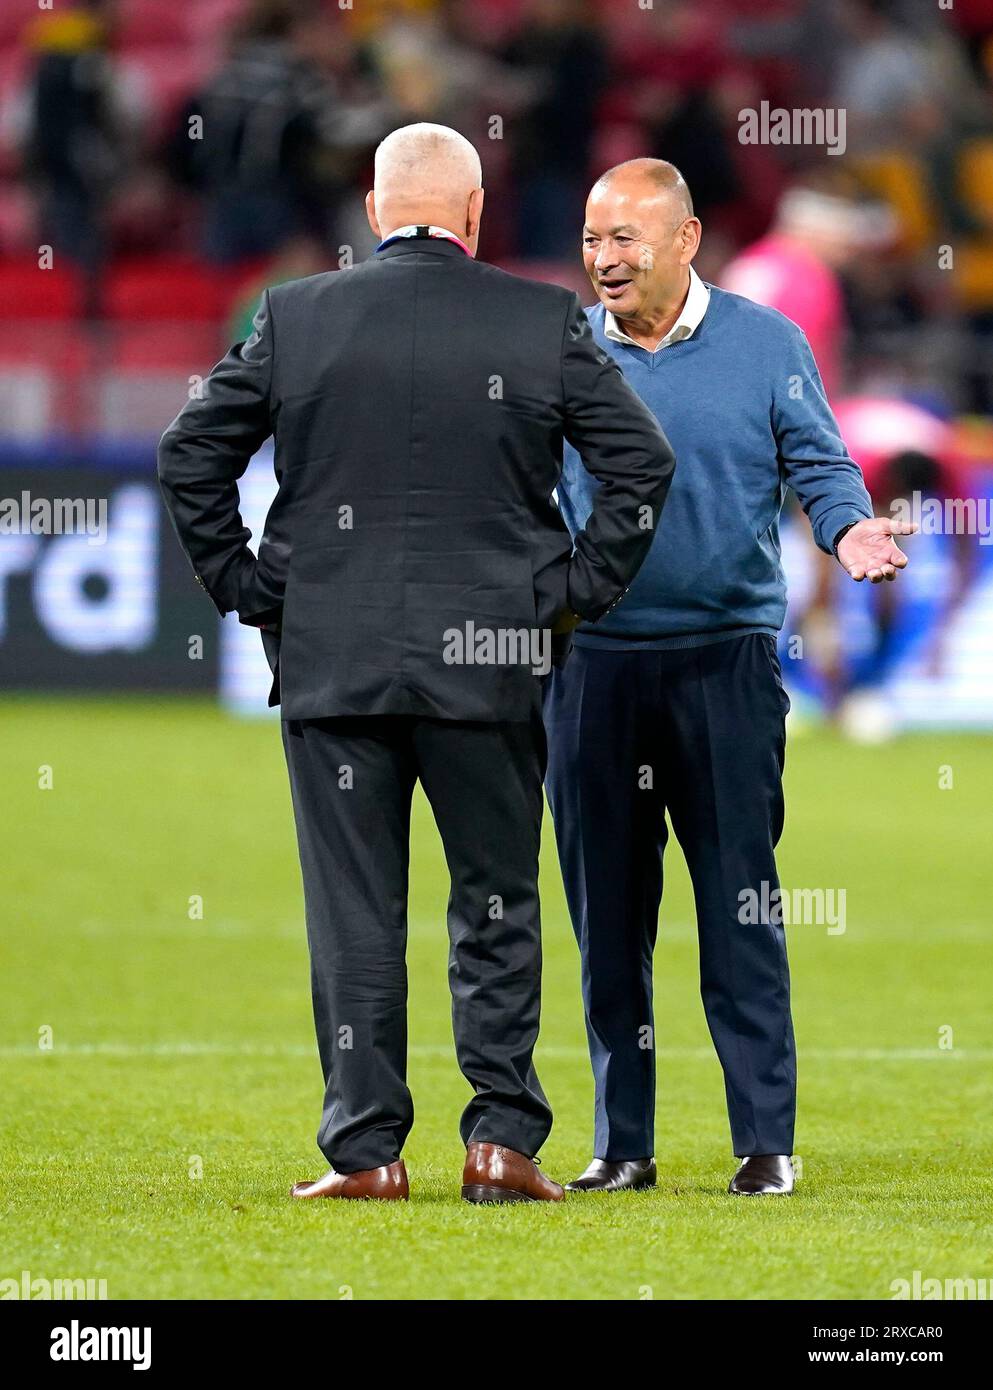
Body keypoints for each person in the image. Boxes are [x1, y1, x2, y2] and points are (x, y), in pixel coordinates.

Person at [158, 124, 675, 1204]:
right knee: (496, 899)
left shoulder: (297, 316)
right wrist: (568, 595)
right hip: (491, 660)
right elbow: (640, 463)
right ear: (476, 214)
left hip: (334, 660)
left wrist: (251, 590)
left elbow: (189, 452)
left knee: (353, 908)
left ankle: (366, 1154)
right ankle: (499, 1142)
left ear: (374, 210)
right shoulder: (538, 319)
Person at [544, 158, 915, 1197]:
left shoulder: (766, 341)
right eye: (590, 239)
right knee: (606, 918)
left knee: (741, 905)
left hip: (728, 666)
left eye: (624, 238)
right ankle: (623, 1144)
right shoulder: (563, 351)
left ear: (686, 239)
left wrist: (850, 535)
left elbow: (822, 463)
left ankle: (767, 1140)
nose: (603, 259)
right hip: (595, 667)